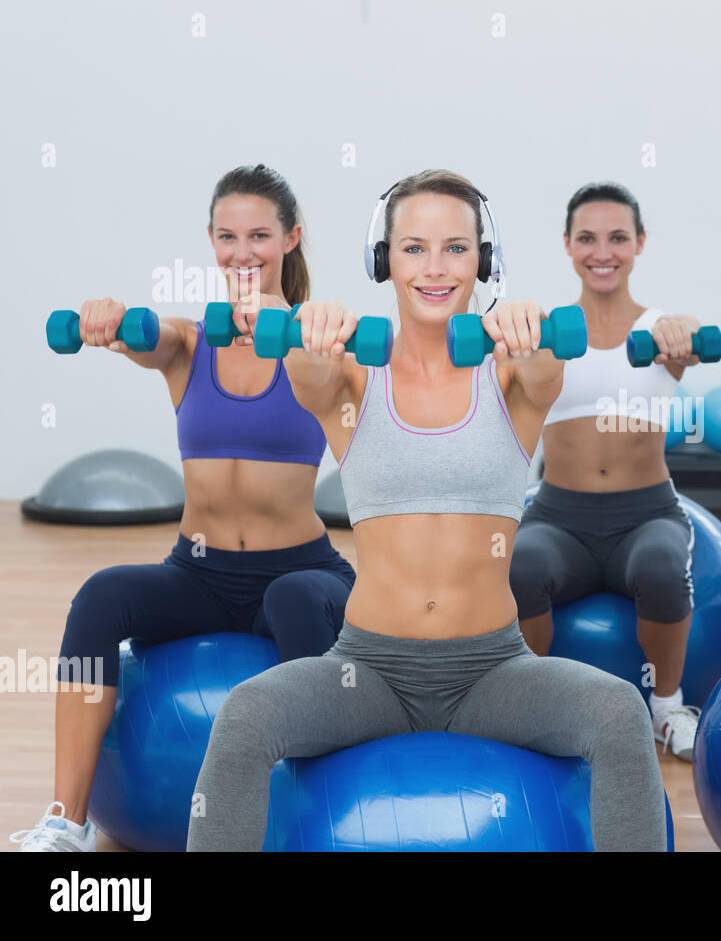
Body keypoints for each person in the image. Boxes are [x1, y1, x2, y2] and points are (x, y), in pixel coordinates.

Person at [186, 169, 666, 852]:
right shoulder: (351, 372)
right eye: (413, 248)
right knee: (246, 712)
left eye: (455, 248)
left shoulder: (510, 373)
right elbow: (310, 377)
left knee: (619, 710)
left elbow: (542, 375)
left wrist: (527, 330)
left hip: (494, 669)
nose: (434, 269)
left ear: (484, 260)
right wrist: (309, 333)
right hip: (369, 669)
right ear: (384, 260)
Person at [10, 165, 355, 853]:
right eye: (228, 236)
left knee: (291, 600)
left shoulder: (319, 347)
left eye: (260, 234)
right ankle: (65, 821)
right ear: (210, 241)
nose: (243, 251)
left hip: (300, 571)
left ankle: (319, 816)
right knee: (101, 597)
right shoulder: (190, 344)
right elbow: (148, 338)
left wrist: (294, 330)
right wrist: (107, 321)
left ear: (291, 238)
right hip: (197, 572)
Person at [510, 182, 704, 761]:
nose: (603, 252)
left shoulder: (663, 330)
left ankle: (666, 708)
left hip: (645, 513)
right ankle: (535, 704)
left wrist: (683, 333)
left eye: (618, 238)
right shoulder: (547, 331)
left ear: (639, 243)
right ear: (568, 245)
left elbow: (689, 343)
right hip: (559, 514)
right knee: (521, 565)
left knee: (663, 566)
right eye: (588, 238)